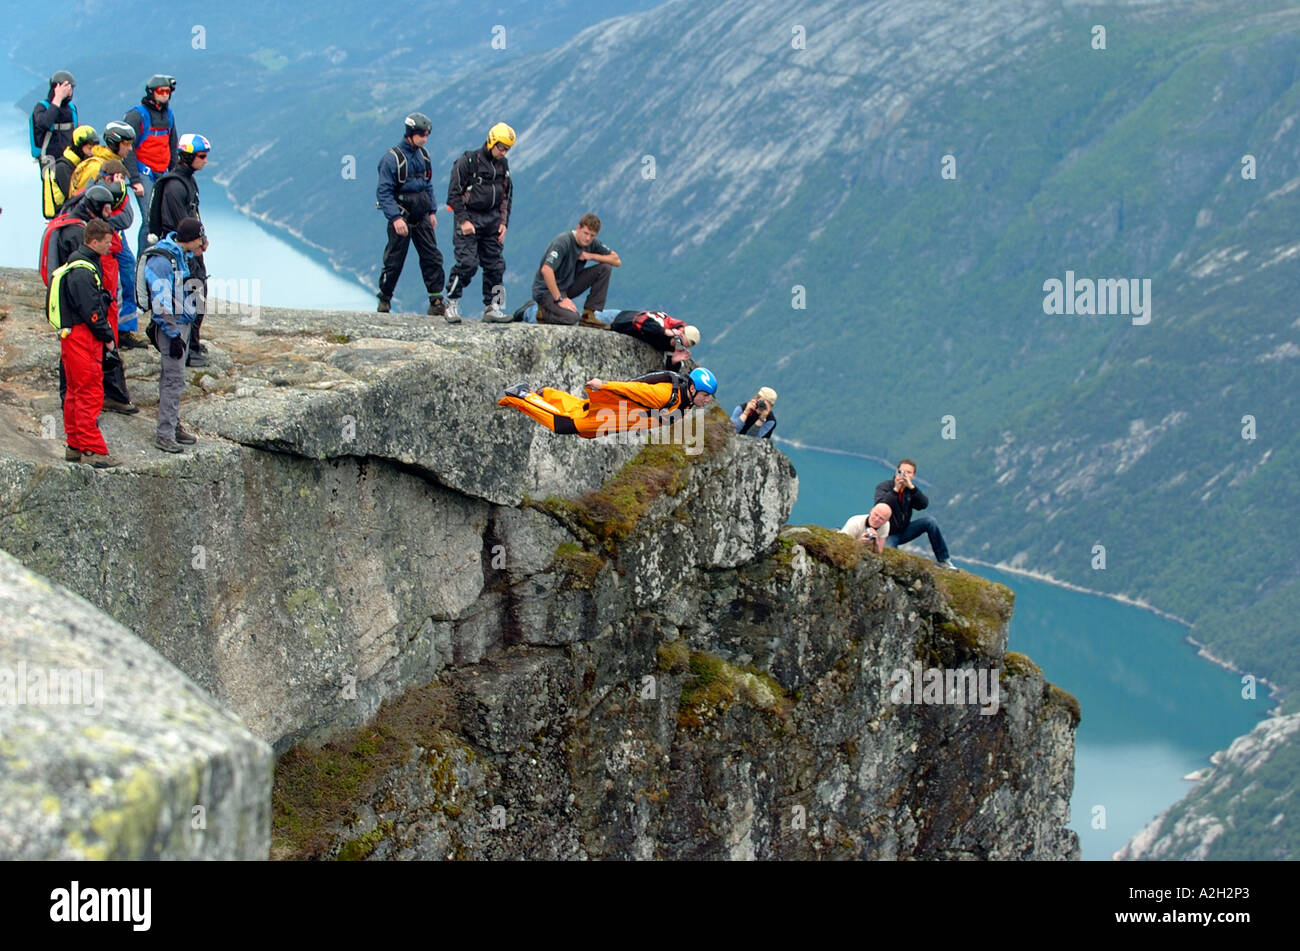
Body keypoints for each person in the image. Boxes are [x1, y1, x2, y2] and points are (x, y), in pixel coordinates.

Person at [52, 184, 137, 416]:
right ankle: (85, 404)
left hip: (92, 303)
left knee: (84, 356)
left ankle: (93, 400)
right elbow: (79, 282)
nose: (109, 212)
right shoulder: (76, 233)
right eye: (107, 207)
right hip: (84, 310)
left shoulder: (78, 226)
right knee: (84, 358)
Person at [49, 219, 118, 467]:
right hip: (83, 337)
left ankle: (75, 445)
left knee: (74, 393)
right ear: (94, 241)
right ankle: (92, 449)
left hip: (72, 336)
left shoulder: (78, 263)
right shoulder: (82, 271)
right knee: (89, 391)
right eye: (107, 242)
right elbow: (91, 312)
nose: (110, 247)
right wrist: (107, 336)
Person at [498, 367, 717, 437]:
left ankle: (547, 394)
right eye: (705, 395)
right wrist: (604, 385)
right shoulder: (665, 394)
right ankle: (523, 395)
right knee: (563, 425)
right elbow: (634, 388)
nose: (707, 400)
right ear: (692, 388)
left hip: (616, 421)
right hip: (614, 414)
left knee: (581, 412)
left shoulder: (687, 403)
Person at [143, 217, 206, 453]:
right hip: (172, 327)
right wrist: (172, 334)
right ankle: (165, 433)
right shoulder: (162, 261)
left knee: (174, 379)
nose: (203, 242)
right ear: (191, 239)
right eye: (200, 238)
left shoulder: (180, 254)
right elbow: (160, 302)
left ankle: (173, 424)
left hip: (182, 324)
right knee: (173, 380)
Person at [375, 113, 446, 317]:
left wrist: (432, 211)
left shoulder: (423, 155)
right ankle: (385, 299)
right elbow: (384, 192)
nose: (425, 139)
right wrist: (395, 218)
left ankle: (436, 300)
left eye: (426, 135)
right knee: (394, 261)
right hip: (402, 217)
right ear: (410, 133)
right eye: (422, 135)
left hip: (422, 215)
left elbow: (427, 185)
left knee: (432, 257)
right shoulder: (392, 159)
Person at [149, 132, 210, 366]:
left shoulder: (186, 180)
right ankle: (188, 348)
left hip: (191, 248)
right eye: (202, 156)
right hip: (182, 254)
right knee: (192, 297)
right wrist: (197, 244)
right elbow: (181, 223)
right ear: (188, 156)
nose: (205, 160)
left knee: (197, 295)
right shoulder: (175, 186)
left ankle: (193, 343)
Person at [444, 122, 514, 323]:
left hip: (492, 222)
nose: (504, 152)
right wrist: (463, 221)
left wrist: (504, 222)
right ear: (492, 141)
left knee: (497, 266)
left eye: (508, 148)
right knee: (467, 264)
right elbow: (453, 194)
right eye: (501, 147)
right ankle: (451, 302)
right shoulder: (468, 161)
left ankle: (494, 307)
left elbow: (507, 195)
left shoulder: (503, 166)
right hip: (469, 220)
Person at [532, 213, 621, 328]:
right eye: (586, 233)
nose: (588, 238)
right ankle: (539, 312)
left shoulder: (591, 243)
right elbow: (546, 270)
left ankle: (589, 316)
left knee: (605, 268)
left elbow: (616, 261)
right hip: (547, 291)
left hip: (567, 285)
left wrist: (590, 256)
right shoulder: (563, 242)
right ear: (578, 228)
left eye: (592, 235)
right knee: (572, 318)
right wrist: (560, 299)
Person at [123, 74, 178, 255]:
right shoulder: (137, 115)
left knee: (162, 220)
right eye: (160, 91)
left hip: (162, 173)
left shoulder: (169, 116)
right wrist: (135, 179)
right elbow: (127, 149)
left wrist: (175, 174)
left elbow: (172, 145)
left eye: (167, 91)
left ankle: (156, 257)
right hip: (143, 173)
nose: (164, 95)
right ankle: (143, 261)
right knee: (149, 219)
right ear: (151, 92)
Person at [873, 459, 958, 570]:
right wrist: (896, 490)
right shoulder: (884, 487)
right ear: (896, 472)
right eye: (902, 471)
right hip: (887, 533)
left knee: (930, 522)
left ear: (913, 476)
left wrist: (912, 488)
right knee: (890, 559)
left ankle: (944, 561)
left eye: (909, 473)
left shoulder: (910, 491)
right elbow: (880, 505)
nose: (905, 475)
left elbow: (923, 504)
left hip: (904, 530)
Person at [608, 310, 700, 368]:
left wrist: (674, 361)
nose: (676, 343)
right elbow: (639, 320)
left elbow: (669, 371)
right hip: (616, 318)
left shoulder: (677, 346)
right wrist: (665, 331)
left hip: (617, 327)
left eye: (682, 344)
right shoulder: (665, 323)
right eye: (679, 339)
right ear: (680, 331)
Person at [68, 120, 136, 195]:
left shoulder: (116, 164)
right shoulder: (95, 167)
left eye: (131, 144)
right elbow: (83, 200)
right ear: (113, 143)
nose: (130, 148)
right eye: (126, 143)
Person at [46, 125, 99, 217]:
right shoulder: (62, 167)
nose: (92, 153)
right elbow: (73, 195)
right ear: (79, 146)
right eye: (89, 148)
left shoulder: (78, 164)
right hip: (62, 216)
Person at [30, 70, 78, 171]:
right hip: (50, 160)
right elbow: (44, 123)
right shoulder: (42, 107)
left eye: (71, 88)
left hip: (70, 158)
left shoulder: (71, 108)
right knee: (52, 186)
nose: (70, 91)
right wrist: (58, 98)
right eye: (66, 87)